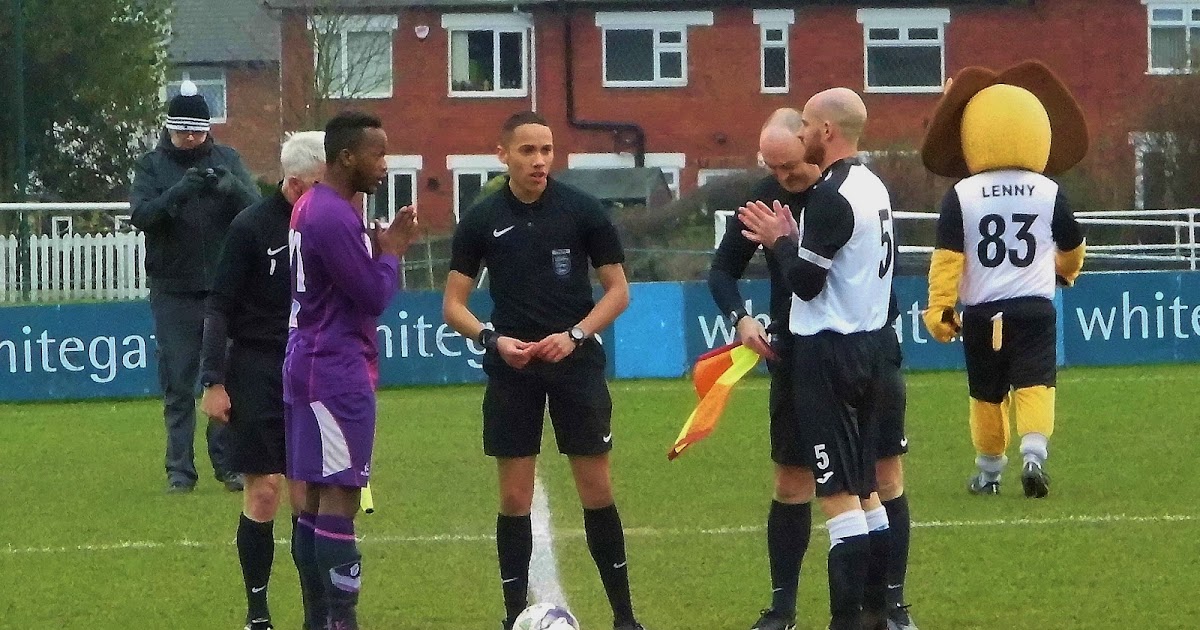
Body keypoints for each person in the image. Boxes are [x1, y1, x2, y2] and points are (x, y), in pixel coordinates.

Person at [442, 111, 645, 630]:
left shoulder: (583, 211)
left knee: (596, 490)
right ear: (503, 154)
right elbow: (454, 305)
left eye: (547, 150)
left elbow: (618, 290)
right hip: (513, 370)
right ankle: (514, 618)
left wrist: (574, 335)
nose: (539, 161)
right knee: (514, 497)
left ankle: (625, 618)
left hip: (576, 367)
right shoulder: (481, 219)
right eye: (528, 151)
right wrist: (492, 339)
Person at [738, 88, 899, 630]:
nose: (802, 132)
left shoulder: (832, 195)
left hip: (827, 355)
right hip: (870, 347)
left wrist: (780, 240)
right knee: (868, 495)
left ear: (827, 131)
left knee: (837, 502)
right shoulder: (872, 185)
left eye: (806, 124)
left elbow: (806, 284)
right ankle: (878, 615)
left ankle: (845, 621)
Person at [284, 111, 419, 630]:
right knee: (338, 493)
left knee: (316, 498)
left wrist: (378, 246)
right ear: (346, 157)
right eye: (376, 154)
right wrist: (390, 254)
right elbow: (371, 295)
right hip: (334, 369)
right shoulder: (331, 215)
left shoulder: (314, 208)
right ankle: (341, 621)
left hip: (313, 363)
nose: (384, 165)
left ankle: (319, 620)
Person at [198, 131, 326, 630]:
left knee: (307, 493)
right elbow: (220, 304)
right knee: (264, 490)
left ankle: (317, 613)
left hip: (312, 367)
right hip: (256, 367)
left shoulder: (330, 226)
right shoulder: (251, 227)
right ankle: (258, 612)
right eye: (318, 185)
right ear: (293, 184)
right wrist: (213, 379)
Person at [708, 108, 821, 630]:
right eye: (771, 168)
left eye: (790, 166)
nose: (782, 178)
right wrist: (741, 318)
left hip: (853, 354)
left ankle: (886, 606)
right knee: (792, 484)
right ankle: (783, 608)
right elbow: (722, 270)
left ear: (811, 143)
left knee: (875, 484)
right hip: (793, 356)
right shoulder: (762, 199)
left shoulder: (844, 196)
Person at [130, 79, 260, 493]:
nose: (190, 138)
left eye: (198, 131)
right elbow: (142, 216)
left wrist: (232, 187)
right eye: (183, 131)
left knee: (224, 380)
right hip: (173, 289)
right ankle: (180, 471)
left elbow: (258, 210)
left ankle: (227, 466)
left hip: (224, 289)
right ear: (169, 129)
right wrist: (178, 193)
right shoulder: (152, 167)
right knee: (178, 383)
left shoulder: (228, 158)